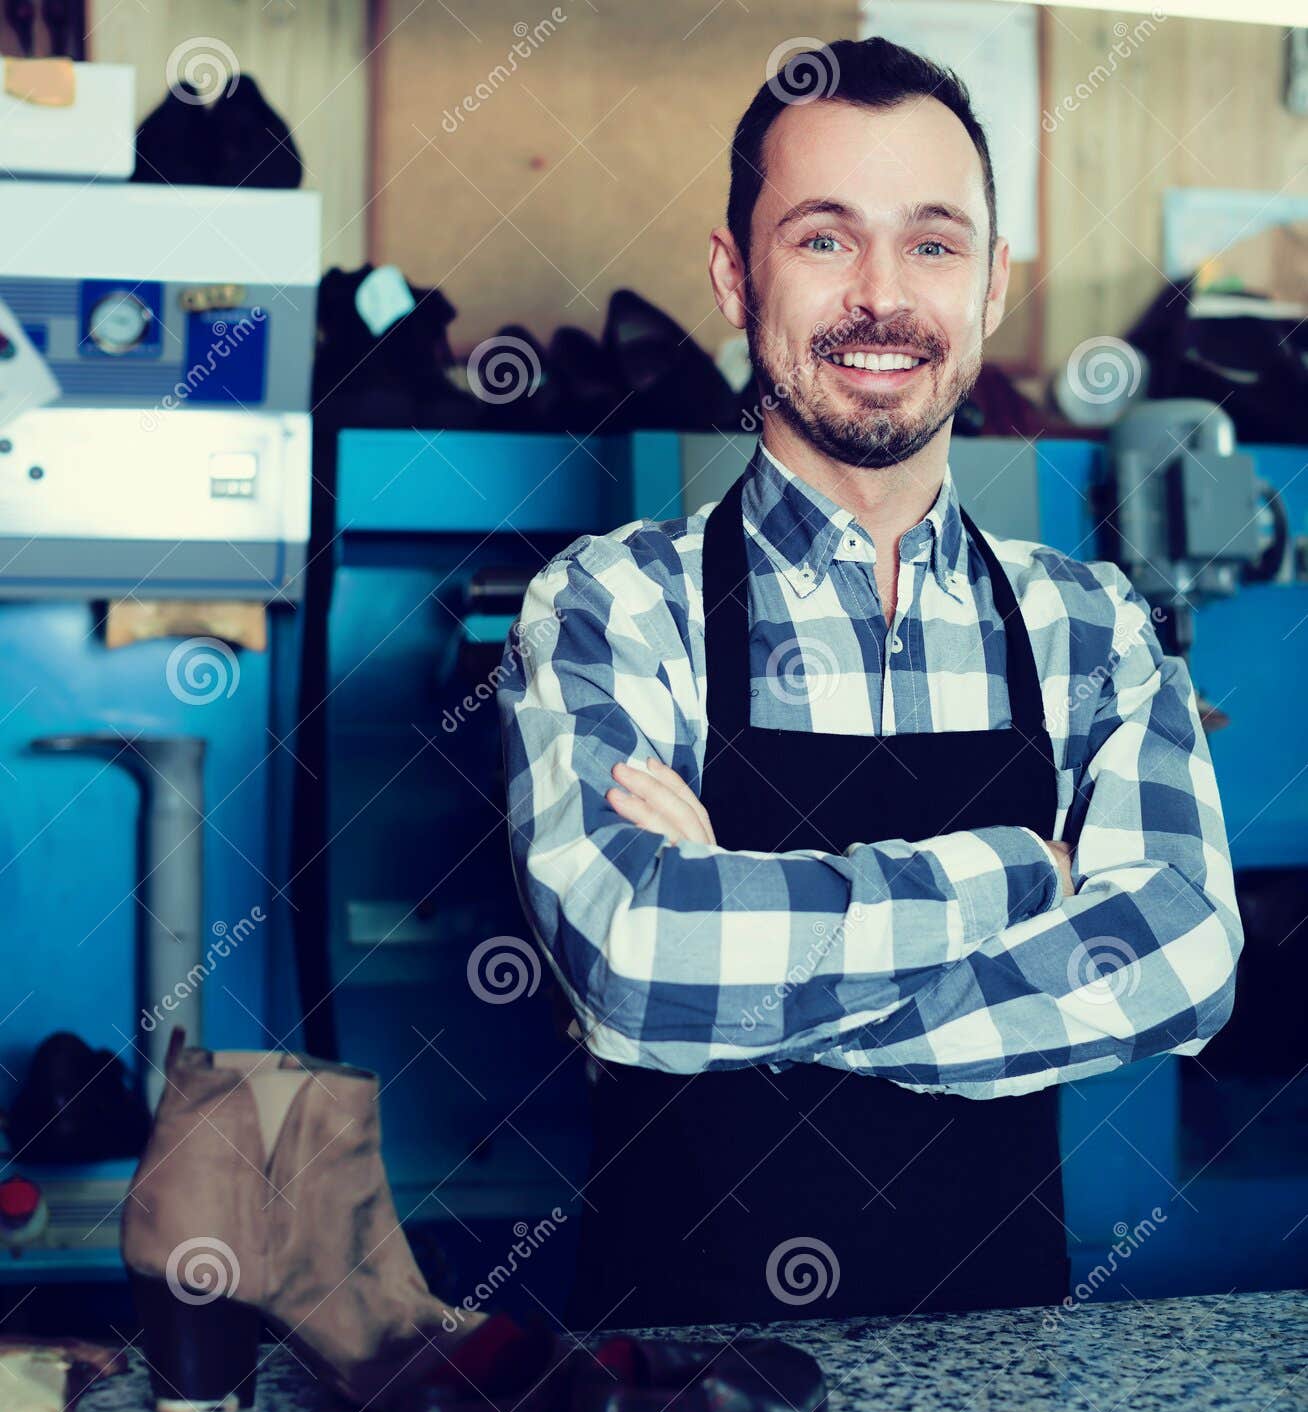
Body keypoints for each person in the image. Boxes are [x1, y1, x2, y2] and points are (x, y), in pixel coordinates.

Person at [496, 36, 1242, 1328]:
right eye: (825, 238)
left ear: (992, 285)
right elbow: (635, 959)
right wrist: (1029, 873)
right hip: (676, 1396)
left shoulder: (1090, 624)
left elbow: (1181, 958)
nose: (882, 297)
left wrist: (748, 978)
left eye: (934, 244)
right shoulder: (614, 603)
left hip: (1009, 1394)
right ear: (736, 276)